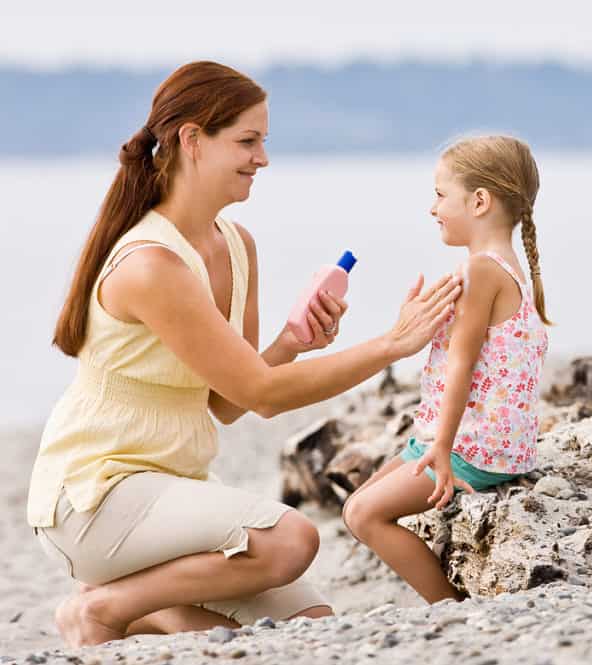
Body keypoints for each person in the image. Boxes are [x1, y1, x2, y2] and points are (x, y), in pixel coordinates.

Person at [26, 61, 462, 647]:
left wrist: (290, 345)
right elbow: (263, 394)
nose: (263, 158)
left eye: (264, 142)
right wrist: (392, 344)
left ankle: (143, 612)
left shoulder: (237, 246)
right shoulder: (152, 265)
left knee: (309, 631)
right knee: (291, 540)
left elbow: (230, 403)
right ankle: (100, 609)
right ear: (191, 141)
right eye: (247, 141)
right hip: (94, 498)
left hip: (170, 489)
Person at [343, 135, 552, 603]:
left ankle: (448, 606)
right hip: (468, 438)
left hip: (471, 449)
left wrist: (440, 447)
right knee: (356, 504)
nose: (431, 208)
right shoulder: (502, 268)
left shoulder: (482, 271)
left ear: (479, 201)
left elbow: (462, 363)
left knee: (363, 517)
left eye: (440, 195)